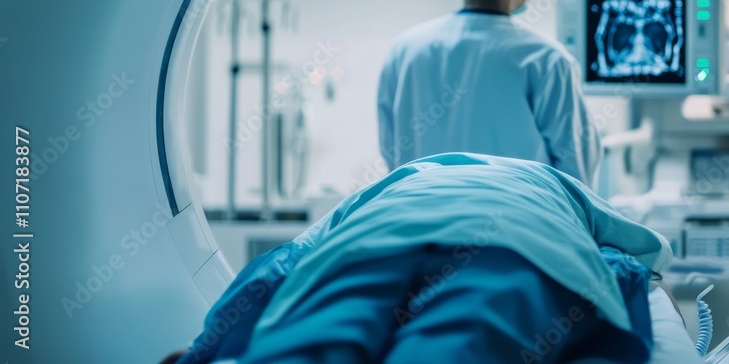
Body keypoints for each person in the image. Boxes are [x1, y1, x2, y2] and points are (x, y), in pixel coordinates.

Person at [164, 153, 678, 364]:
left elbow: (284, 263)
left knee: (304, 347)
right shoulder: (558, 184)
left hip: (367, 250)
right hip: (511, 250)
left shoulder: (399, 179)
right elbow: (641, 254)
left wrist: (201, 351)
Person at [377, 0, 601, 184]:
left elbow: (392, 156)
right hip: (519, 225)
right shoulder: (547, 60)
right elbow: (577, 180)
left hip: (416, 221)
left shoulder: (405, 51)